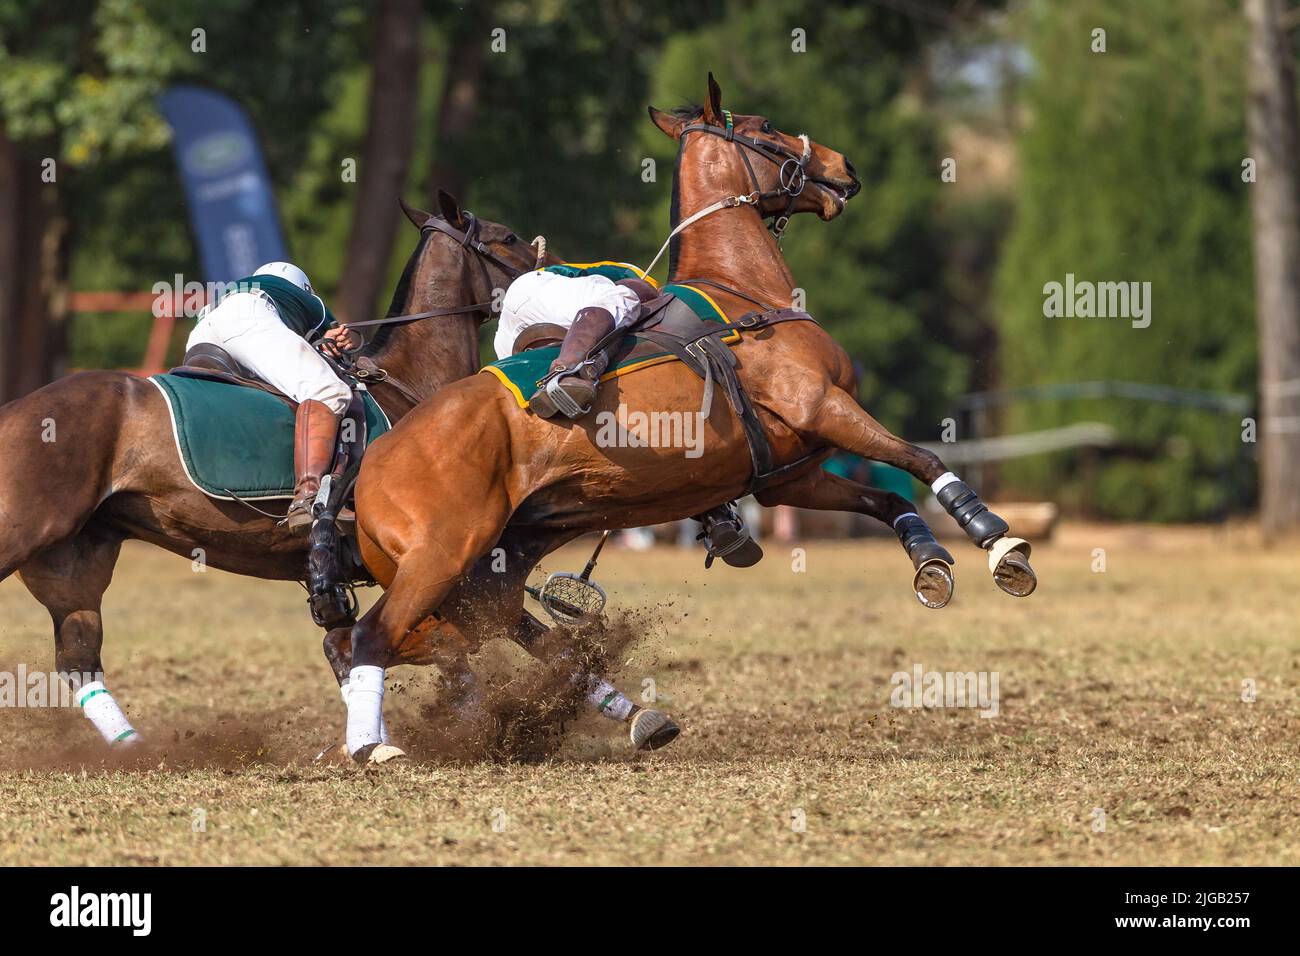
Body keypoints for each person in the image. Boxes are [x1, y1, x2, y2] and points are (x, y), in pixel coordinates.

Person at [495, 266, 762, 568]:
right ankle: (570, 370)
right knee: (624, 298)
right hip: (534, 300)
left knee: (646, 430)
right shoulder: (620, 273)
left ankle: (714, 512)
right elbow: (646, 290)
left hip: (513, 348)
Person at [185, 262, 361, 534]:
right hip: (250, 319)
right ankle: (308, 496)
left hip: (200, 333)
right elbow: (333, 338)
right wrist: (337, 339)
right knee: (329, 391)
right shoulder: (307, 299)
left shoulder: (233, 289)